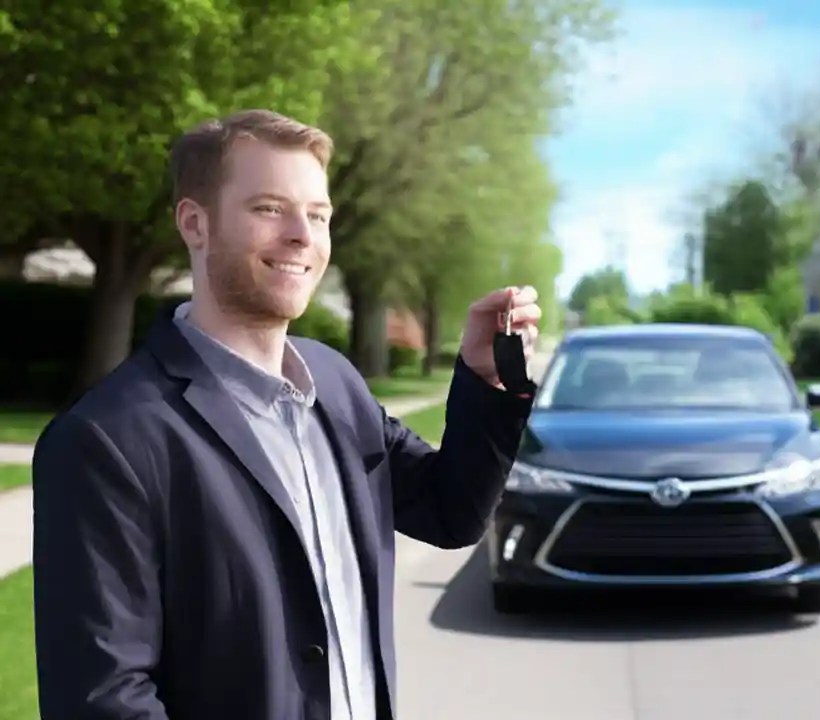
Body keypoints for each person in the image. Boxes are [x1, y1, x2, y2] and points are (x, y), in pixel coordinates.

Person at [30, 109, 541, 719]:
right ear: (196, 224)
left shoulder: (336, 383)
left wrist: (486, 380)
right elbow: (104, 700)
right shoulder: (105, 441)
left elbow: (449, 511)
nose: (303, 234)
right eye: (269, 208)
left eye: (318, 215)